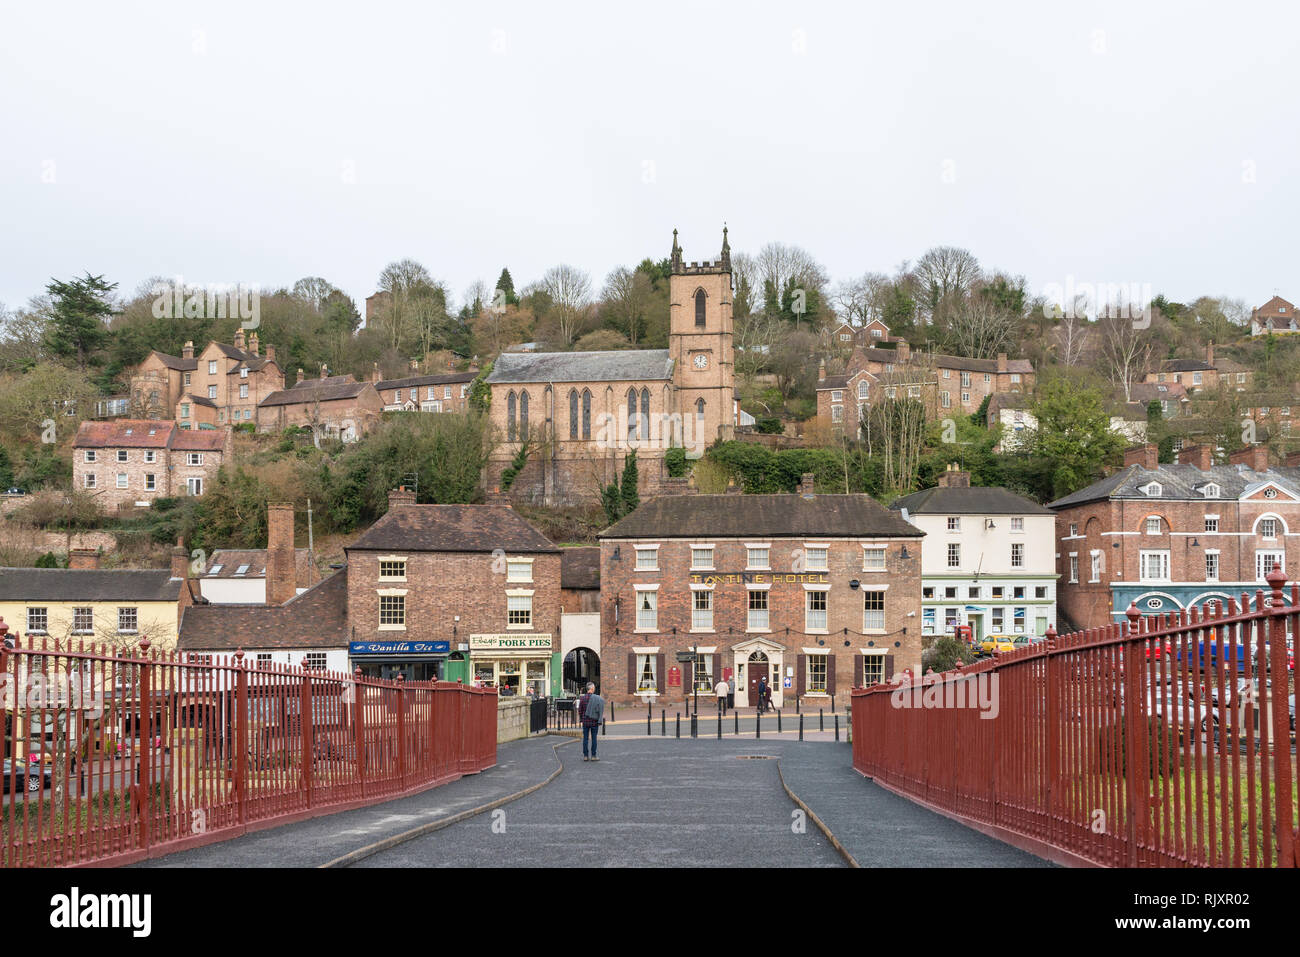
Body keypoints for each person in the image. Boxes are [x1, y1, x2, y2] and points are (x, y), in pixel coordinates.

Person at [577, 682, 605, 762]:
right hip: (594, 722)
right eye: (594, 688)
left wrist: (582, 719)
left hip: (585, 722)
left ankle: (585, 756)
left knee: (585, 738)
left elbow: (580, 711)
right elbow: (599, 709)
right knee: (594, 739)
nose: (594, 689)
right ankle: (593, 756)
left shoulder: (583, 698)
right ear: (592, 689)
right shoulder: (597, 698)